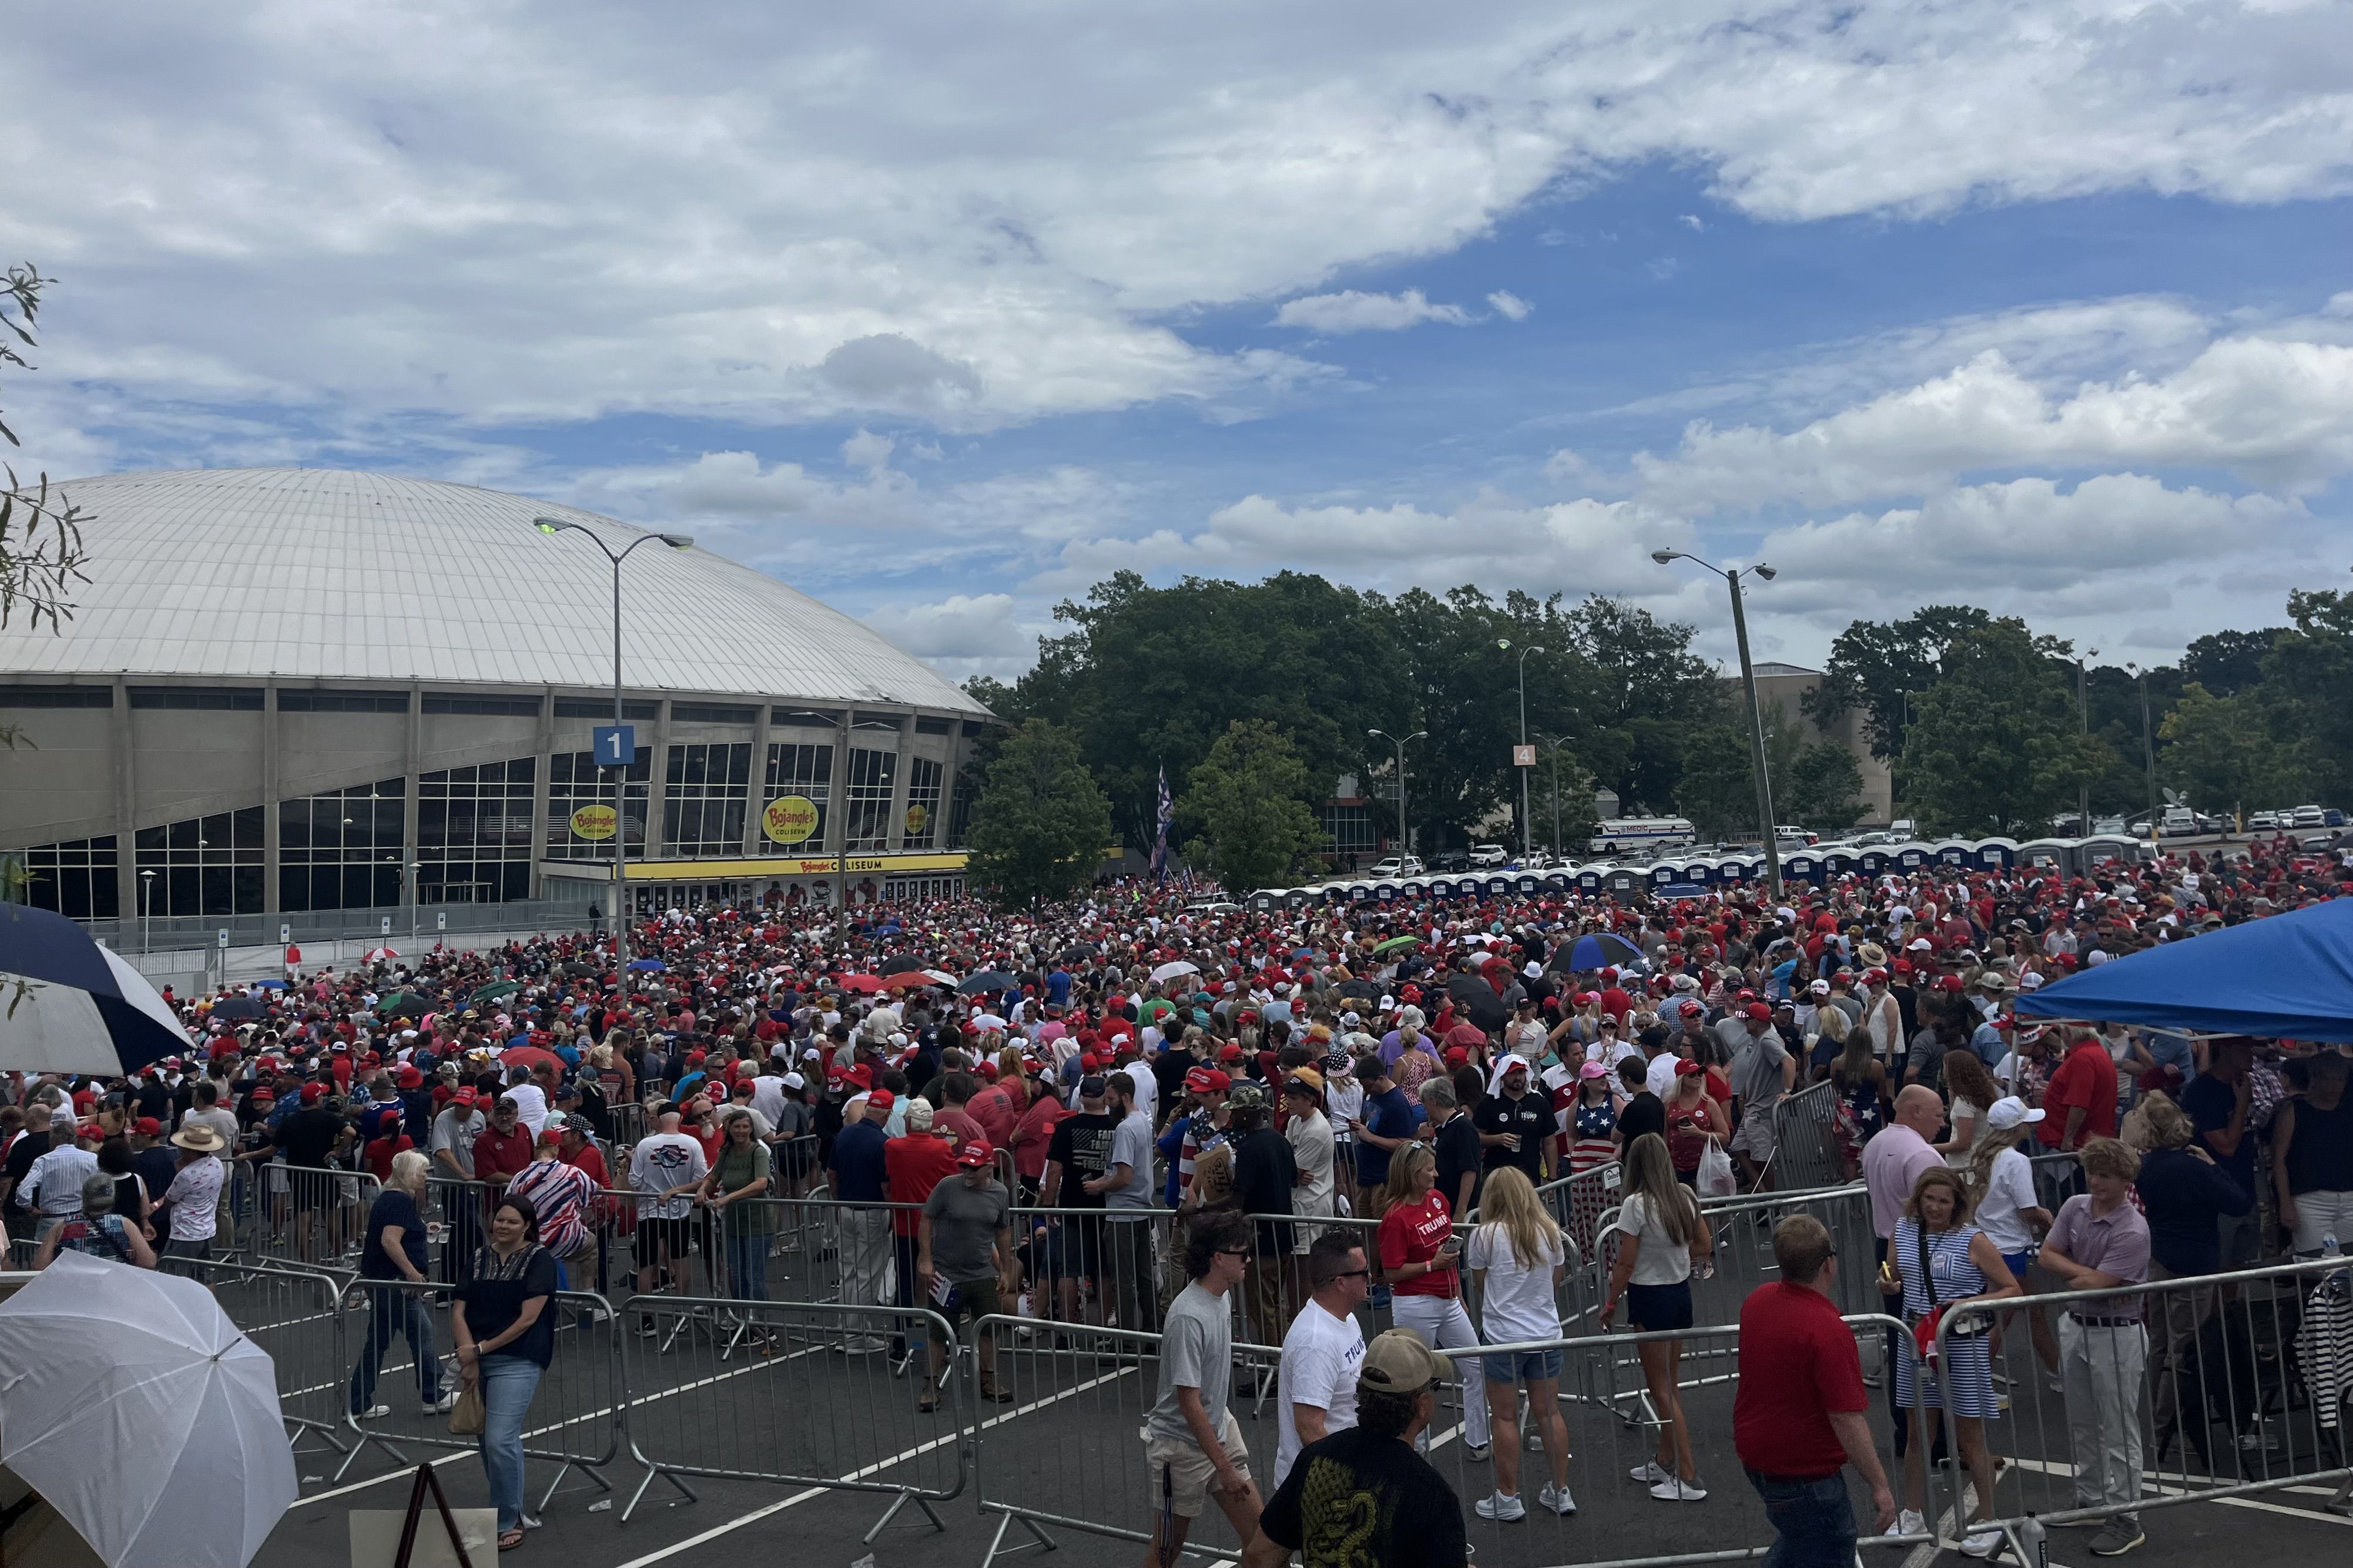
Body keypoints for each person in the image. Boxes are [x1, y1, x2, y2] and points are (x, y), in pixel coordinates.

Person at [1737, 1214, 1899, 1564]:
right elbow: (1846, 1418)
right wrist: (1880, 1485)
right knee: (1828, 1547)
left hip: (1761, 1457)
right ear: (1829, 1263)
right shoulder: (1828, 1330)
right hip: (1803, 1471)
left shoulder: (1759, 1300)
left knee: (1798, 1544)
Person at [1242, 1328, 1470, 1568]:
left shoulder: (1314, 1459)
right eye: (1433, 1386)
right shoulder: (1432, 1494)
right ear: (1422, 1406)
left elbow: (1260, 1553)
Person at [1888, 1165, 2020, 1556]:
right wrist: (1887, 1282)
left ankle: (1989, 1519)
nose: (1935, 1206)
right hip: (1916, 1340)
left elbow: (2010, 1287)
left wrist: (1968, 1302)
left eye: (1944, 1200)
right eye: (1930, 1198)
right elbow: (1893, 1273)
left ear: (1957, 1203)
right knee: (1917, 1435)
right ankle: (1912, 1513)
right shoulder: (1904, 1228)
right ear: (1919, 1199)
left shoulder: (1972, 1239)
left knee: (1970, 1439)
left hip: (1962, 1343)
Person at [2037, 1137, 2151, 1557]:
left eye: (2106, 1174)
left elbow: (2094, 1283)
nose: (2097, 1181)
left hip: (2117, 1330)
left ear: (2125, 1179)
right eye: (2093, 1172)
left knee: (2119, 1425)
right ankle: (2090, 1496)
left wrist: (2079, 1273)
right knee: (2082, 1418)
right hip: (2077, 1324)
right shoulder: (2075, 1206)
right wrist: (2083, 1273)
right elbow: (2048, 1256)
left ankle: (2127, 1514)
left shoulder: (2133, 1228)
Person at [2127, 1091, 2250, 1467]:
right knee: (2186, 1351)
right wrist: (2213, 1165)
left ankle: (2157, 1425)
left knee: (2161, 1345)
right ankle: (2167, 1429)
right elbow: (2238, 1203)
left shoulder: (2144, 1167)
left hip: (2161, 1258)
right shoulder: (2194, 1167)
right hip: (2196, 1264)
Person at [1144, 1211, 1264, 1566]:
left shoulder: (1222, 1295)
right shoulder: (1187, 1316)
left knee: (1261, 1536)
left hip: (1217, 1429)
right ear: (1218, 1257)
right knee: (1167, 1550)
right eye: (1242, 1253)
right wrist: (1224, 1467)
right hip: (1179, 1447)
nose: (1249, 1259)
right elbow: (1188, 1402)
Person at [1604, 1131, 1711, 1502]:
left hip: (1650, 1296)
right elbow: (1704, 1244)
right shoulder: (1684, 1195)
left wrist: (1610, 1303)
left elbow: (1626, 1261)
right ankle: (1666, 1458)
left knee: (1661, 1389)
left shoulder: (1636, 1204)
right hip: (1680, 1294)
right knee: (1671, 1385)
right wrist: (1673, 1253)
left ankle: (1689, 1474)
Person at [1464, 1166, 1575, 1519]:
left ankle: (1509, 1496)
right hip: (1545, 1335)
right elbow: (1555, 1279)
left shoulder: (1484, 1235)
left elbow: (1481, 1284)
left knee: (1506, 1417)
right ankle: (1560, 1490)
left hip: (1503, 1339)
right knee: (1550, 1412)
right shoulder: (1551, 1232)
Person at [454, 1193, 561, 1553]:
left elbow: (529, 1318)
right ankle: (503, 1506)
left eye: (512, 1221)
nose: (502, 1226)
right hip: (479, 1358)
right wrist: (468, 1356)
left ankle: (509, 1517)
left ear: (527, 1226)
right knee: (487, 1441)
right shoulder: (480, 1256)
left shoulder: (539, 1260)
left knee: (500, 1439)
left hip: (518, 1358)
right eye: (499, 1219)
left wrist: (481, 1349)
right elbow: (459, 1308)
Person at [1374, 1142, 1490, 1459]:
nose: (1436, 1174)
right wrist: (1431, 1266)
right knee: (1415, 1380)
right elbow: (1392, 1272)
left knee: (1476, 1365)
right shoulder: (1395, 1218)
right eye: (1429, 1168)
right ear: (1413, 1174)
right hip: (1416, 1305)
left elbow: (1448, 1253)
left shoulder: (1438, 1200)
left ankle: (1478, 1439)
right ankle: (1415, 1450)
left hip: (1448, 1300)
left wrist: (1459, 1295)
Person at [350, 1150, 452, 1421]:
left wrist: (422, 1227)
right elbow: (390, 1240)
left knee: (378, 1341)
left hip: (381, 1281)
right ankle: (435, 1394)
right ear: (409, 1173)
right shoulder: (399, 1202)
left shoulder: (391, 1198)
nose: (426, 1176)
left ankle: (359, 1399)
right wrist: (411, 1273)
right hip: (395, 1283)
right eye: (423, 1171)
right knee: (424, 1335)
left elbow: (396, 1234)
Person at [917, 1140, 1016, 1412]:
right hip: (947, 1275)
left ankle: (989, 1380)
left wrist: (1005, 1270)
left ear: (989, 1168)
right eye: (964, 1166)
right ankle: (930, 1385)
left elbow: (1003, 1232)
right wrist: (926, 1259)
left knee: (989, 1328)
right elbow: (926, 1219)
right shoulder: (947, 1187)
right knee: (939, 1330)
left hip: (982, 1274)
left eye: (973, 1168)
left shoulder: (999, 1194)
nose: (967, 1172)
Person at [1272, 1230, 1369, 1492]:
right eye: (1363, 1272)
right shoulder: (1315, 1342)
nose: (1369, 1277)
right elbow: (1309, 1429)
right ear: (1341, 1282)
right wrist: (1349, 1480)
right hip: (1318, 1488)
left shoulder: (1346, 1318)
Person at [628, 1107, 709, 1330]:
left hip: (649, 1212)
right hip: (678, 1213)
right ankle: (682, 1314)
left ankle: (646, 1320)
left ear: (659, 1120)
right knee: (680, 1261)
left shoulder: (645, 1145)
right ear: (681, 1119)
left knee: (646, 1264)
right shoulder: (692, 1144)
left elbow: (634, 1180)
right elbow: (701, 1179)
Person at [2271, 1049, 2351, 1256]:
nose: (2335, 1086)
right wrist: (2285, 1203)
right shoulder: (2294, 1110)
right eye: (2328, 1079)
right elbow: (2279, 1159)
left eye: (2340, 1080)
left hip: (2350, 1196)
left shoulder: (2348, 1110)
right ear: (2315, 1079)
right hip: (2309, 1200)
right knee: (2314, 1261)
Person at [693, 1109, 775, 1311]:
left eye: (745, 1127)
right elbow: (714, 1177)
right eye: (737, 1127)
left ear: (751, 1129)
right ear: (730, 1129)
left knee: (754, 1276)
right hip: (733, 1224)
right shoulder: (726, 1152)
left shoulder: (759, 1152)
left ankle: (762, 1326)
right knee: (737, 1274)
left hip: (758, 1224)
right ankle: (742, 1319)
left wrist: (728, 1198)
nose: (741, 1131)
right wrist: (703, 1189)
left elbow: (761, 1183)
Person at [32, 1172, 156, 1269]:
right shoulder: (124, 1224)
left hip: (73, 1291)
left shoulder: (62, 1227)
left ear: (84, 1196)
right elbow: (148, 1262)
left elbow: (40, 1266)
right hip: (113, 1291)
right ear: (112, 1196)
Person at [152, 1122, 226, 1272]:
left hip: (185, 1233)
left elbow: (170, 1200)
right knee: (206, 1275)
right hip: (208, 1229)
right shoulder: (217, 1164)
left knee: (173, 1274)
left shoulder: (186, 1175)